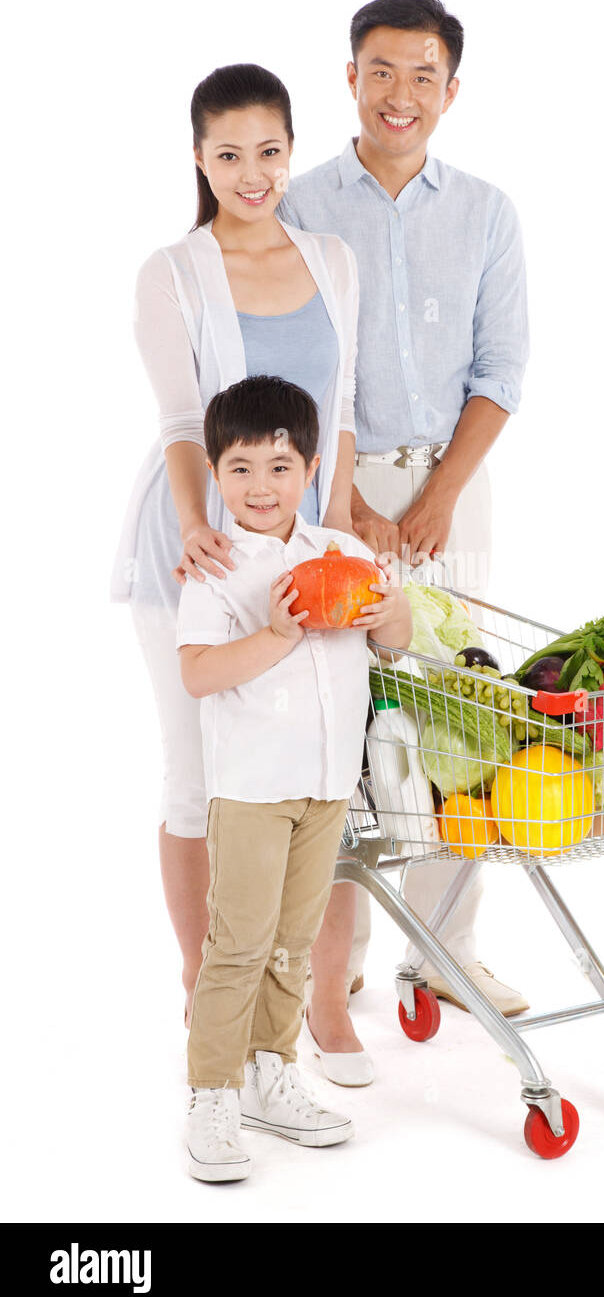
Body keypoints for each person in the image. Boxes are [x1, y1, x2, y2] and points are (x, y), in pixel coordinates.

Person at [277, 0, 532, 1055]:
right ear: (349, 78)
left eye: (423, 76)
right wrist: (348, 501)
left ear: (450, 91)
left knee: (461, 712)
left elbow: (500, 369)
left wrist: (434, 497)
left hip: (449, 488)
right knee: (340, 718)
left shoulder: (484, 211)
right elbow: (283, 367)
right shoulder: (293, 204)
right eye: (382, 72)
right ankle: (321, 968)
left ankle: (442, 943)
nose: (402, 95)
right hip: (329, 494)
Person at [110, 64, 370, 1065]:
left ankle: (303, 994)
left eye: (268, 151)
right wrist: (195, 524)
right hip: (200, 548)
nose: (250, 174)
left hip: (304, 553)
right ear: (197, 157)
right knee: (199, 774)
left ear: (290, 149)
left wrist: (339, 528)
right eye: (227, 155)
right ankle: (200, 982)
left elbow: (339, 408)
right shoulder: (170, 270)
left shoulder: (333, 258)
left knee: (314, 773)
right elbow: (182, 421)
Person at [179, 374, 411, 1181]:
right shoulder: (213, 567)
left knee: (293, 945)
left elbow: (394, 641)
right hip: (250, 788)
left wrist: (391, 614)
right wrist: (279, 632)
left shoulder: (341, 553)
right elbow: (200, 674)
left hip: (325, 785)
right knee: (237, 945)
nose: (261, 486)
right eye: (240, 468)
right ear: (216, 476)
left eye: (279, 467)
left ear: (311, 470)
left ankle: (269, 1075)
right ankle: (211, 1091)